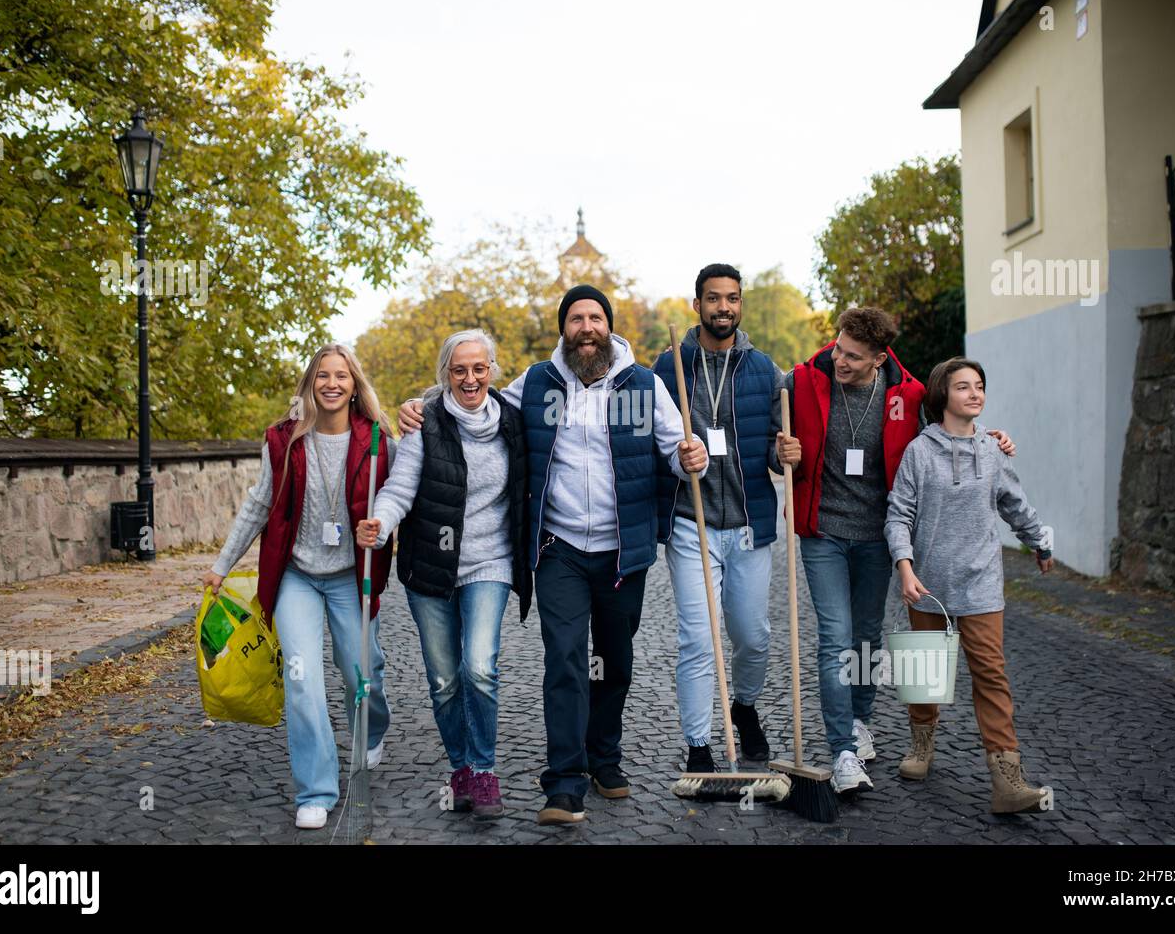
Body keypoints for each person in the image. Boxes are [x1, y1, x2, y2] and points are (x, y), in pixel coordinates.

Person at [397, 284, 707, 826]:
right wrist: (419, 405)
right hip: (559, 547)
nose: (586, 327)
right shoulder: (538, 382)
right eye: (575, 319)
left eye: (595, 317)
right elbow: (475, 402)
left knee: (613, 661)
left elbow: (675, 454)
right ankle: (563, 784)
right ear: (563, 328)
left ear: (608, 326)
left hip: (622, 551)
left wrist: (691, 457)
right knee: (564, 658)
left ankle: (603, 757)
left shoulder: (646, 385)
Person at [784, 308, 1016, 794]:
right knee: (834, 636)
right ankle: (843, 748)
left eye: (853, 356)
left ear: (879, 359)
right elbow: (772, 443)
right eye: (838, 347)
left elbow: (949, 433)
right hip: (821, 531)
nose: (839, 360)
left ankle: (862, 718)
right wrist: (781, 454)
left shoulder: (906, 396)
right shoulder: (801, 382)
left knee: (867, 634)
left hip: (875, 535)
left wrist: (991, 440)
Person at [205, 344, 394, 830]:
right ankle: (316, 789)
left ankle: (372, 729)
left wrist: (382, 528)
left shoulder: (375, 441)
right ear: (311, 384)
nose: (332, 384)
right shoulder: (283, 441)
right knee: (302, 676)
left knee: (360, 671)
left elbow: (395, 503)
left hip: (351, 577)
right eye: (322, 376)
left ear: (355, 385)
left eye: (342, 376)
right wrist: (221, 565)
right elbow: (258, 504)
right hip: (298, 577)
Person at [355, 329, 530, 822]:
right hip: (430, 566)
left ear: (492, 370)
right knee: (444, 680)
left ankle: (483, 769)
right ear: (445, 375)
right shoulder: (424, 422)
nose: (470, 378)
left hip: (489, 562)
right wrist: (381, 522)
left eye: (479, 368)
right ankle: (459, 767)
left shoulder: (514, 422)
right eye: (459, 370)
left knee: (479, 666)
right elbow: (399, 489)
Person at [884, 356, 1052, 814]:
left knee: (991, 676)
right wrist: (905, 566)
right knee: (925, 673)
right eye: (963, 387)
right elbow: (899, 513)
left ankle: (1007, 780)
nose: (975, 393)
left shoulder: (994, 449)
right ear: (943, 396)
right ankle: (921, 745)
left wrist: (1039, 542)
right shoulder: (919, 452)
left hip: (981, 583)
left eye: (979, 385)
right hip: (929, 583)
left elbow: (1015, 503)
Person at [653, 263, 801, 773]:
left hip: (749, 523)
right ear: (697, 305)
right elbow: (650, 443)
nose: (724, 308)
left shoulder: (766, 371)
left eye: (733, 298)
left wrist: (786, 451)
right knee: (698, 637)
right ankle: (697, 745)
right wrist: (674, 453)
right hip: (690, 521)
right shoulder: (668, 366)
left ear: (741, 304)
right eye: (714, 298)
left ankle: (744, 706)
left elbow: (773, 449)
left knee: (753, 636)